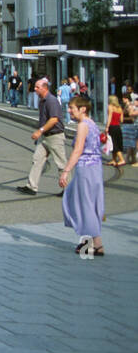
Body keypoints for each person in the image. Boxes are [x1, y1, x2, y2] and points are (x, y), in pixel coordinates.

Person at [59, 96, 105, 257]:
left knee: (84, 205)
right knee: (88, 204)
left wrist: (66, 171)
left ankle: (88, 246)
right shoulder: (92, 124)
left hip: (86, 168)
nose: (69, 110)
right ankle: (96, 244)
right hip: (95, 168)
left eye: (72, 108)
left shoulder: (83, 125)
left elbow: (78, 150)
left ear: (83, 109)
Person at [18, 77, 67, 196]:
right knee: (37, 160)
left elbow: (54, 119)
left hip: (55, 136)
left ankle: (68, 189)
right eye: (34, 87)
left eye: (37, 87)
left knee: (61, 164)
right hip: (45, 137)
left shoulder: (52, 101)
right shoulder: (42, 101)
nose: (34, 89)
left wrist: (40, 131)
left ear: (44, 88)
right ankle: (31, 186)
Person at [105, 95, 125, 178]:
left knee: (113, 143)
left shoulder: (110, 107)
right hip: (118, 127)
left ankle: (121, 159)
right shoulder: (120, 108)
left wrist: (107, 127)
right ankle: (113, 160)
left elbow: (109, 117)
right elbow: (121, 120)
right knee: (116, 143)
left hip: (112, 127)